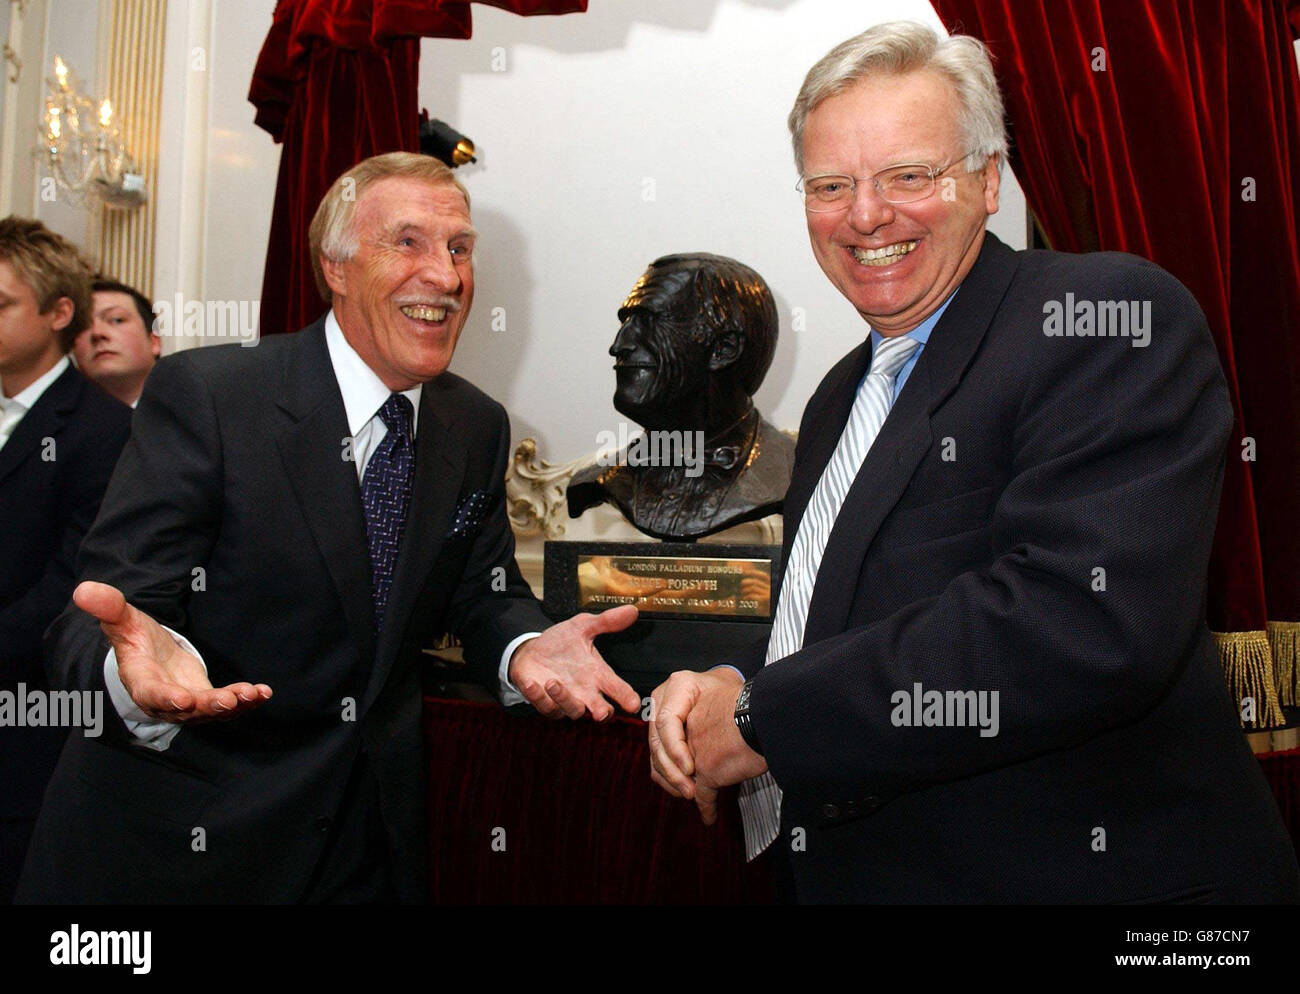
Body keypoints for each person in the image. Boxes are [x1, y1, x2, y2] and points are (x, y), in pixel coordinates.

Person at [648, 22, 1300, 903]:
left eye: (909, 176)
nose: (867, 214)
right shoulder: (841, 393)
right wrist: (740, 678)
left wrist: (769, 717)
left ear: (989, 179)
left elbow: (1076, 622)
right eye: (831, 184)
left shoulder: (1102, 315)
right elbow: (855, 614)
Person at [18, 152, 640, 904]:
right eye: (407, 243)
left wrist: (522, 643)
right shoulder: (214, 395)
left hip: (362, 850)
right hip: (183, 850)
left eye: (459, 248)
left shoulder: (473, 424)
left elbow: (480, 591)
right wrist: (133, 679)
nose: (445, 276)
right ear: (336, 268)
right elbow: (100, 617)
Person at [0, 217, 132, 902]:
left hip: (29, 722)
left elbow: (76, 581)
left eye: (0, 303)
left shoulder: (102, 428)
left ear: (57, 313)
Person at [567, 253, 795, 540]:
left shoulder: (796, 474)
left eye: (648, 322)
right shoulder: (602, 479)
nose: (619, 346)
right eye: (626, 323)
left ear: (723, 349)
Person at [72, 276, 161, 407]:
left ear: (154, 342)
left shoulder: (192, 412)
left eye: (116, 320)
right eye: (83, 325)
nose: (97, 333)